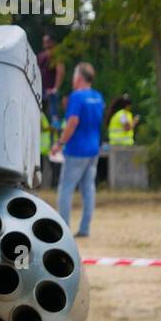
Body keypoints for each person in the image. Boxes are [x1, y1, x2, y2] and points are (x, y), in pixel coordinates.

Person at [54, 62, 104, 237]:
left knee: (66, 188)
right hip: (93, 149)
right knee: (88, 189)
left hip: (76, 150)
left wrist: (60, 143)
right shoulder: (98, 96)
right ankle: (85, 228)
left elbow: (73, 122)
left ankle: (63, 229)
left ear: (79, 78)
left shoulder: (76, 97)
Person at [37, 34, 66, 131]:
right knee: (41, 116)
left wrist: (55, 88)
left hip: (49, 91)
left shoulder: (55, 56)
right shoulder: (41, 56)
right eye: (44, 41)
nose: (45, 43)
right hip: (40, 90)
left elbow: (60, 71)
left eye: (47, 41)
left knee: (53, 118)